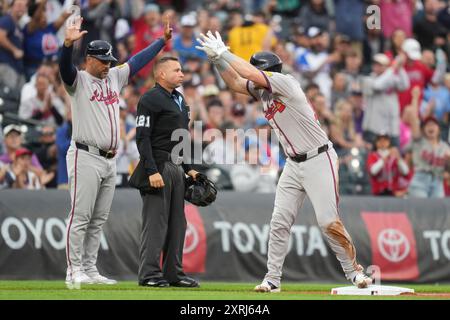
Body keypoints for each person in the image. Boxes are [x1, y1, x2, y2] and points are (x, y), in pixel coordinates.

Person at [197, 31, 373, 291]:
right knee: (279, 221)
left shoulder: (286, 83)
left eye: (258, 71)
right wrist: (217, 60)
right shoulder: (265, 93)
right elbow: (236, 82)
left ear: (269, 71)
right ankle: (272, 279)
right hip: (293, 164)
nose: (253, 75)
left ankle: (354, 272)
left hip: (319, 158)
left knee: (328, 221)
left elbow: (249, 74)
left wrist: (224, 52)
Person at [59, 13, 173, 288]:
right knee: (80, 216)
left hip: (110, 159)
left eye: (110, 61)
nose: (108, 65)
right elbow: (64, 70)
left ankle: (89, 268)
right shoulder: (79, 81)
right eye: (103, 61)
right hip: (85, 155)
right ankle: (73, 270)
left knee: (97, 220)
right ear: (89, 60)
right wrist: (66, 46)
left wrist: (162, 41)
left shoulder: (113, 77)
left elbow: (137, 61)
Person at [134, 56, 200, 288]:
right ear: (161, 74)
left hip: (176, 166)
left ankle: (174, 273)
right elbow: (142, 138)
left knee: (177, 223)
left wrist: (189, 168)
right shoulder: (150, 98)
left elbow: (181, 138)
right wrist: (151, 170)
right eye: (177, 70)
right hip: (159, 164)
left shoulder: (179, 99)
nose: (182, 74)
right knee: (156, 223)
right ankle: (150, 274)